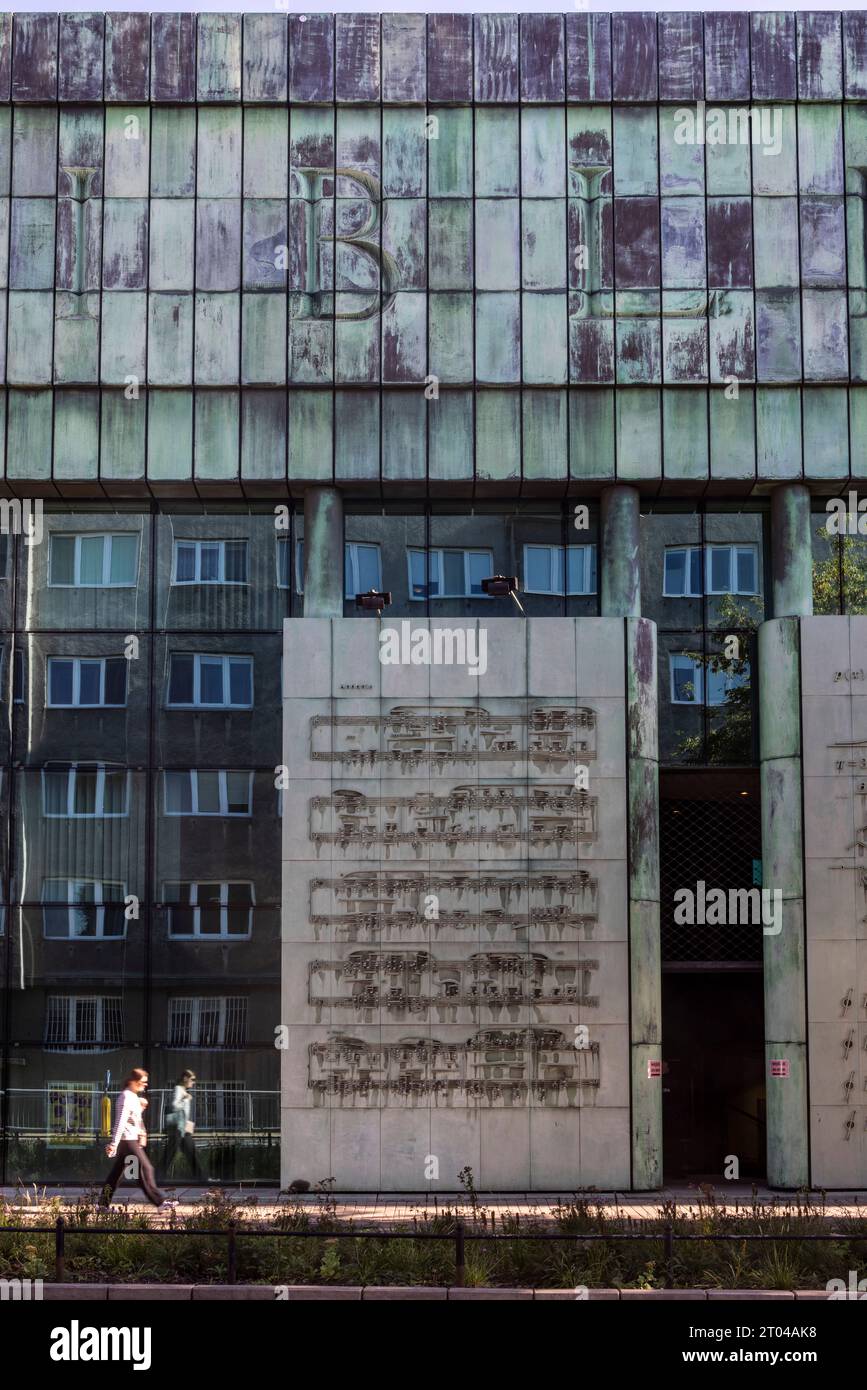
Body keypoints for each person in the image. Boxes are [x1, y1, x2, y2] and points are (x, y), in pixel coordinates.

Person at [100, 1068, 175, 1210]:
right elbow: (120, 1121)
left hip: (130, 1139)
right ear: (133, 1081)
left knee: (118, 1175)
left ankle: (103, 1205)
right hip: (127, 1141)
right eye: (143, 1082)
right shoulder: (126, 1097)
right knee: (147, 1169)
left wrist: (140, 1113)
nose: (145, 1085)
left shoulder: (133, 1097)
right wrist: (114, 1143)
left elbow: (133, 1120)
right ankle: (159, 1202)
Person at [163, 1070, 200, 1178]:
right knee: (170, 1155)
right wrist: (185, 1099)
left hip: (183, 1127)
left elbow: (184, 1112)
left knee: (191, 1153)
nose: (193, 1082)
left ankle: (201, 1178)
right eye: (192, 1079)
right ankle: (156, 1176)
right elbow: (174, 1106)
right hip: (178, 1127)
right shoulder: (178, 1089)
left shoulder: (183, 1090)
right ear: (185, 1078)